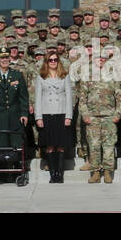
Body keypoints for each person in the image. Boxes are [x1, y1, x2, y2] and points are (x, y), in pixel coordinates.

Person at [0, 47, 29, 183]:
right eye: (2, 58)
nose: (5, 60)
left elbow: (23, 97)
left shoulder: (17, 75)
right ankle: (2, 174)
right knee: (1, 144)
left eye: (6, 57)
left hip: (15, 115)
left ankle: (16, 172)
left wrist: (24, 113)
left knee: (15, 144)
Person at [80, 49, 121, 183]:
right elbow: (82, 99)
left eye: (103, 58)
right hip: (92, 117)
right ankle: (95, 172)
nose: (101, 60)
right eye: (98, 58)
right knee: (93, 146)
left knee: (109, 146)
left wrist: (117, 114)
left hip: (109, 117)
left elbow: (120, 98)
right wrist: (85, 114)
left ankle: (108, 172)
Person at [35, 52, 74, 183]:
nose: (53, 62)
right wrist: (38, 117)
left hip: (61, 113)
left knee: (61, 145)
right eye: (50, 60)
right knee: (50, 146)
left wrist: (69, 116)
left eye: (55, 60)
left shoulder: (65, 76)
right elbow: (38, 99)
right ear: (46, 62)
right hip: (47, 114)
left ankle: (60, 174)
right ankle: (53, 174)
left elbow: (69, 97)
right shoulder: (41, 77)